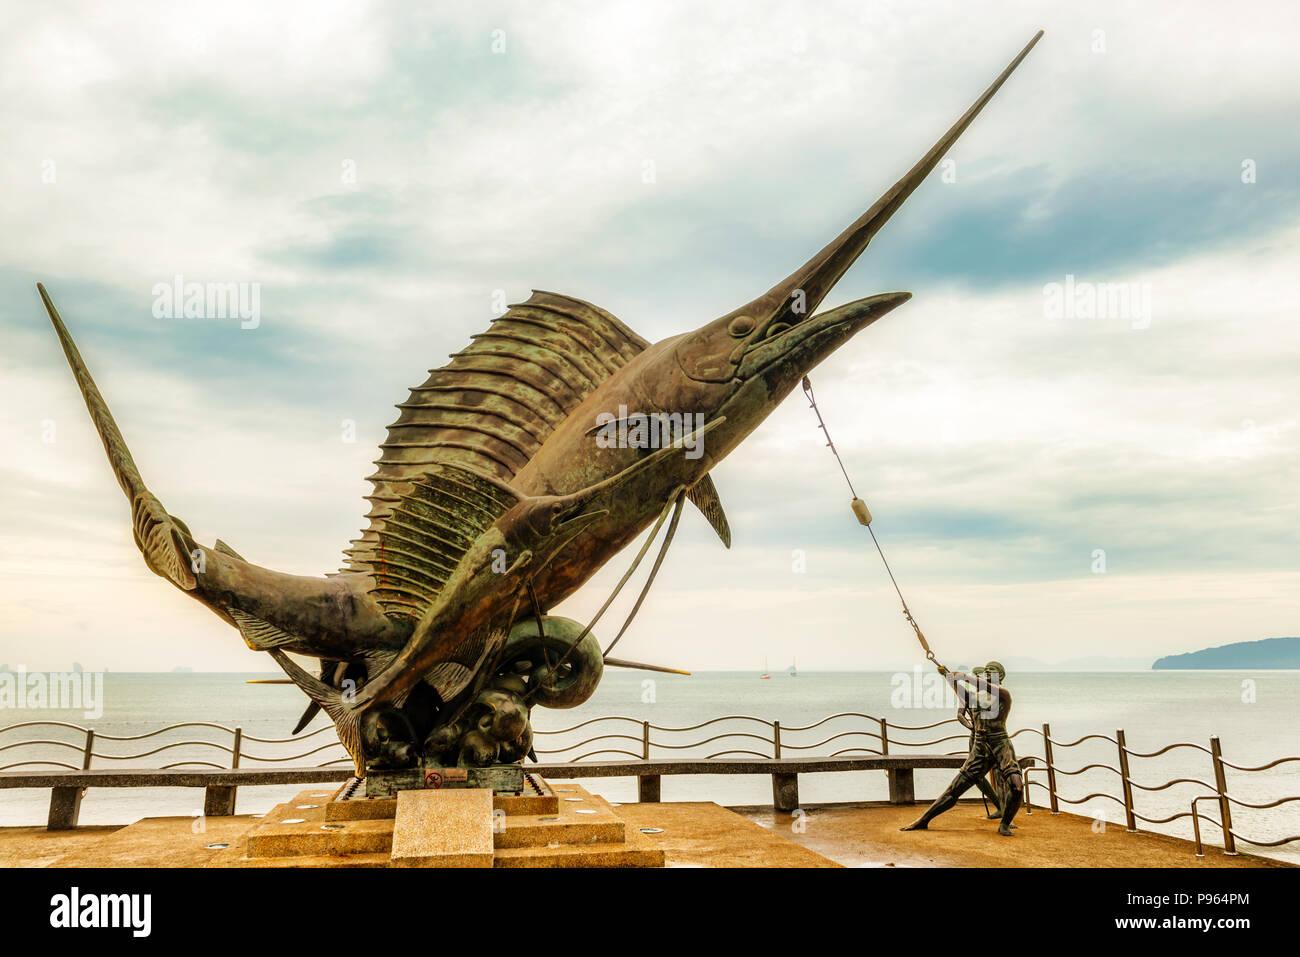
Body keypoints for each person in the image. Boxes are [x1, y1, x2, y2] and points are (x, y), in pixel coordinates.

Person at [900, 660, 1023, 836]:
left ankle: (1005, 823)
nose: (988, 673)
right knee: (954, 789)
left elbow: (977, 683)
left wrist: (964, 677)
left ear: (1000, 677)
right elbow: (960, 693)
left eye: (992, 671)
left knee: (1016, 786)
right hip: (980, 746)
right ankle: (923, 820)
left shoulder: (1004, 695)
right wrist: (948, 676)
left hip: (1001, 744)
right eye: (986, 670)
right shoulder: (974, 698)